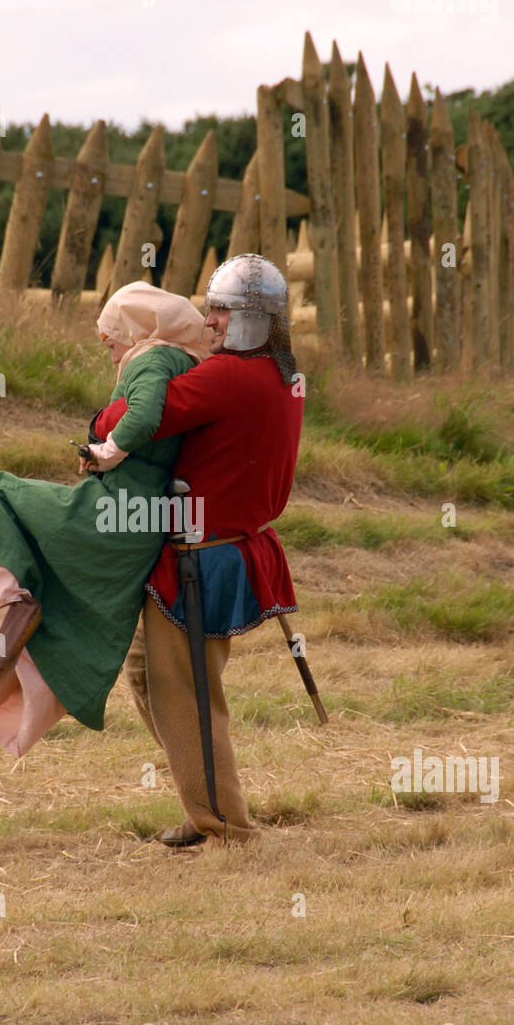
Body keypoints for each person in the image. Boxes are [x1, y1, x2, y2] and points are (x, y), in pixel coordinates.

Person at [0, 283, 208, 770]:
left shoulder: (153, 360)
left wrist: (105, 452)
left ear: (135, 329)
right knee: (35, 637)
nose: (111, 354)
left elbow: (145, 414)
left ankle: (15, 598)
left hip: (114, 511)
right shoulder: (183, 361)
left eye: (111, 341)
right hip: (135, 519)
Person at [88, 253, 303, 848]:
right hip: (211, 546)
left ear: (252, 318)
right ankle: (202, 796)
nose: (209, 321)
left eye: (220, 310)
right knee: (145, 674)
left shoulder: (228, 376)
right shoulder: (284, 376)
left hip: (202, 556)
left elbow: (135, 416)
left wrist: (103, 417)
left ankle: (229, 827)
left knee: (186, 692)